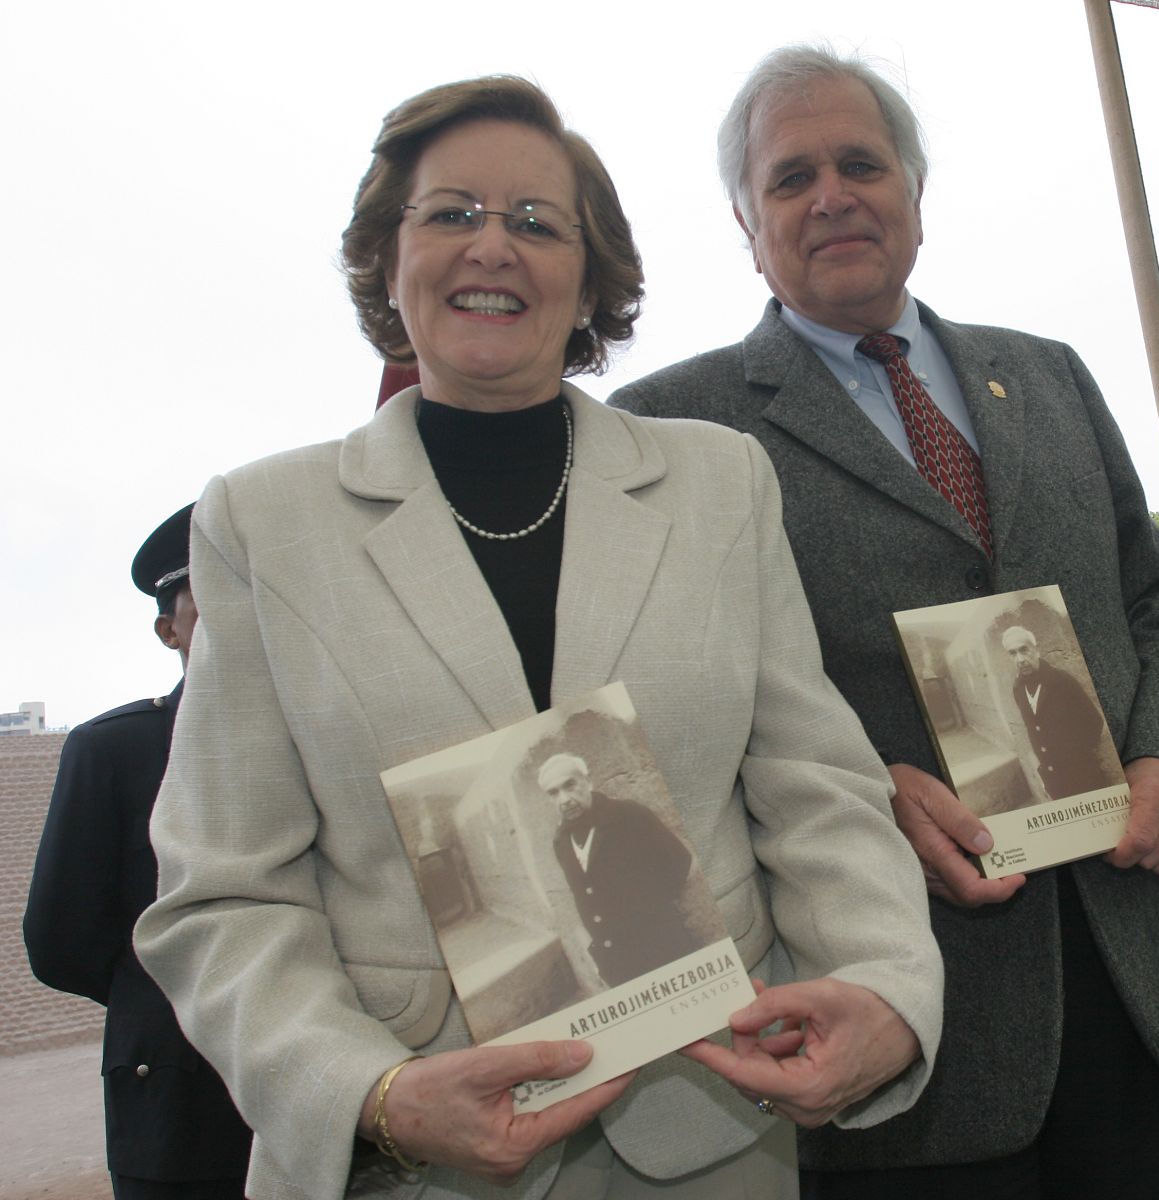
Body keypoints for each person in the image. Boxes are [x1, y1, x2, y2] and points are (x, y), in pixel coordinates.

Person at [134, 75, 942, 1200]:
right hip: (412, 1157)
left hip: (710, 1135)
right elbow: (224, 895)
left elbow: (818, 789)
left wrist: (891, 989)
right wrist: (368, 1093)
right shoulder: (263, 525)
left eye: (535, 223)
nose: (492, 248)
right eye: (451, 214)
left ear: (589, 273)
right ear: (387, 255)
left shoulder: (718, 484)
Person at [611, 45, 1159, 1199]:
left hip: (1140, 990)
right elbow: (655, 719)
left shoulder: (1050, 377)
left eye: (860, 163)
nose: (833, 195)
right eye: (791, 179)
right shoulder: (669, 430)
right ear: (746, 224)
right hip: (898, 1029)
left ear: (916, 199)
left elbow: (1156, 599)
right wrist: (852, 785)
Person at [23, 504, 253, 1200]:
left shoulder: (320, 742)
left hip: (315, 1088)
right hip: (176, 1094)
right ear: (168, 630)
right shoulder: (114, 750)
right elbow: (61, 940)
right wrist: (162, 992)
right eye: (206, 601)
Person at [537, 753, 704, 986]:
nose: (564, 799)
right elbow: (583, 896)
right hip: (617, 962)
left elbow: (679, 862)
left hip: (662, 948)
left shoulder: (628, 815)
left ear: (588, 781)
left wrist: (651, 915)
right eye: (553, 793)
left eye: (569, 785)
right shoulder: (562, 842)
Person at [1000, 626, 1112, 801]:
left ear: (1036, 650)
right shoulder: (1018, 689)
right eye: (1012, 653)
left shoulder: (1062, 681)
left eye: (1024, 650)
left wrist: (1077, 758)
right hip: (1054, 781)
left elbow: (1094, 722)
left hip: (1084, 777)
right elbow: (1034, 729)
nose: (1020, 659)